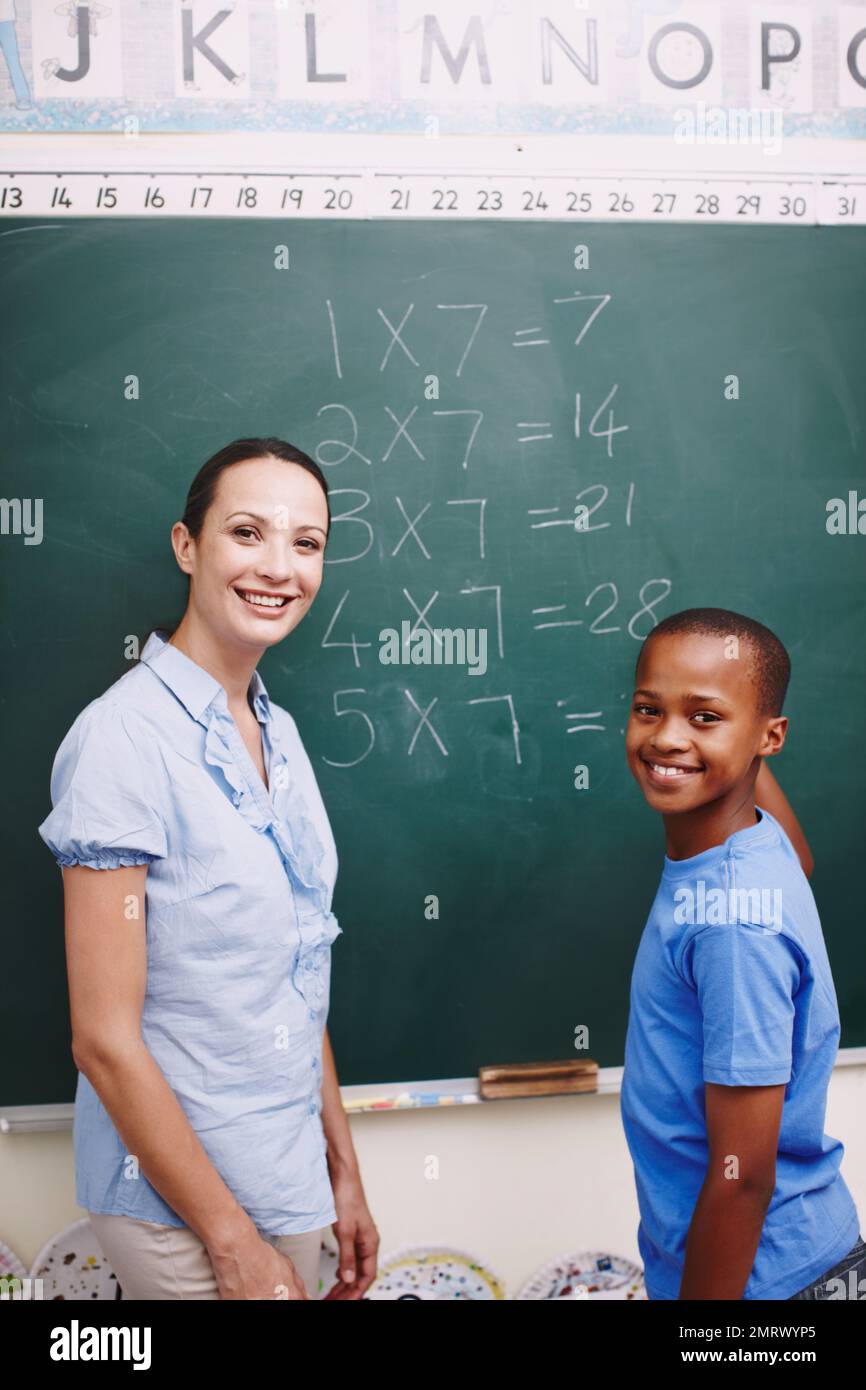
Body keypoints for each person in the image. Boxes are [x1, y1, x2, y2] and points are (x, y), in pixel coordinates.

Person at [38, 437, 379, 1300]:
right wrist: (230, 1242)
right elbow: (103, 1038)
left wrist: (340, 1170)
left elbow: (296, 974)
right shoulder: (123, 740)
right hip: (177, 1205)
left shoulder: (282, 735)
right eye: (247, 532)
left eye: (307, 543)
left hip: (286, 1172)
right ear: (188, 547)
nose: (280, 567)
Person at [619, 607, 862, 1300]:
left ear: (771, 737)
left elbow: (742, 1173)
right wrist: (733, 733)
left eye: (704, 717)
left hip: (763, 1284)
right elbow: (803, 856)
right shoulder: (763, 840)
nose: (666, 737)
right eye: (648, 707)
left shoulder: (731, 926)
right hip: (798, 1259)